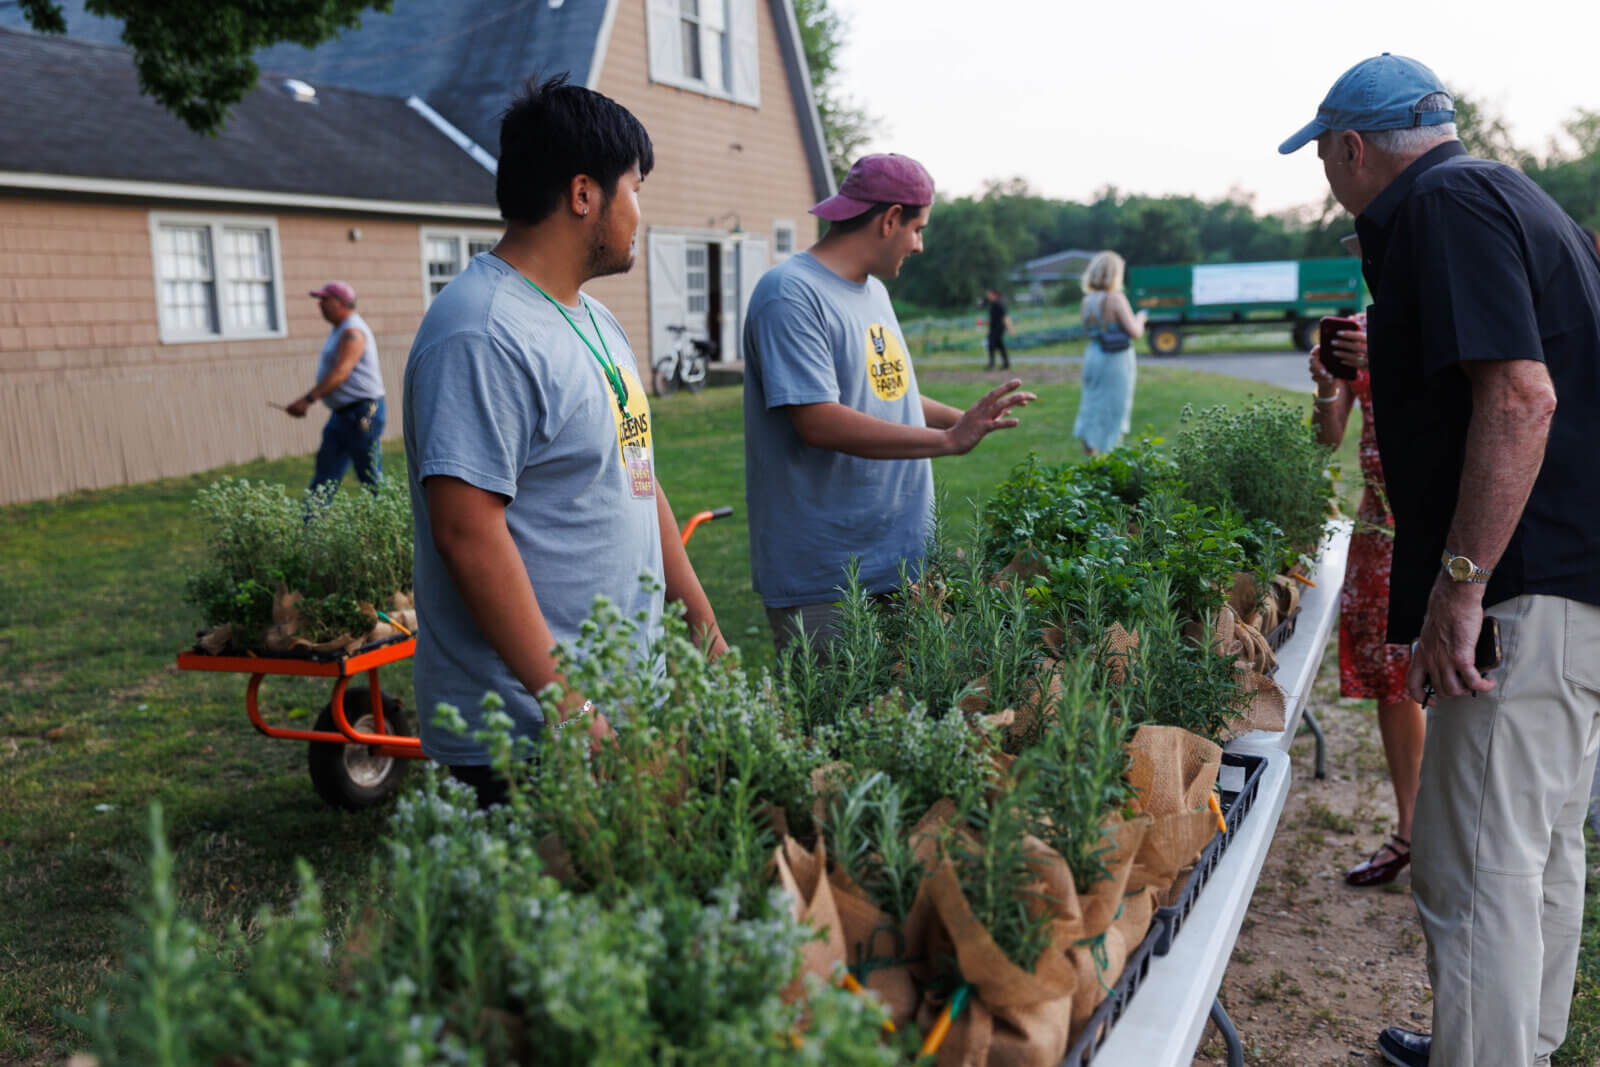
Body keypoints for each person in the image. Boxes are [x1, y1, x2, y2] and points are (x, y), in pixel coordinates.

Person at [1282, 53, 1600, 1067]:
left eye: (1325, 159)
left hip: (1522, 588)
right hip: (1572, 581)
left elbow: (1520, 397)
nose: (1329, 178)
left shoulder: (1442, 204)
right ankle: (1516, 1042)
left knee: (1468, 866)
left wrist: (1458, 586)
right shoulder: (1502, 192)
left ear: (1349, 147)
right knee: (1537, 846)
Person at [402, 74, 725, 808]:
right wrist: (573, 710)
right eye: (634, 188)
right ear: (585, 194)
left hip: (616, 720)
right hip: (524, 738)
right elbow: (466, 534)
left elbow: (640, 482)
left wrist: (706, 637)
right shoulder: (480, 332)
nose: (641, 212)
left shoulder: (597, 323)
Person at [742, 153, 1034, 654]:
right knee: (841, 728)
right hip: (831, 578)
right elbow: (818, 420)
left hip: (902, 564)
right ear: (890, 218)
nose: (919, 245)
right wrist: (946, 441)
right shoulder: (790, 294)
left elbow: (887, 392)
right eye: (917, 228)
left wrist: (962, 419)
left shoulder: (872, 291)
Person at [1308, 314, 1425, 889]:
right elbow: (1325, 440)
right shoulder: (1357, 330)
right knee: (1393, 681)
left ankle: (1461, 835)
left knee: (1473, 674)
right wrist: (1328, 383)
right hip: (1381, 526)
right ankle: (1413, 833)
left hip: (1456, 519)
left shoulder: (1449, 312)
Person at [284, 282, 385, 493]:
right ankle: (311, 524)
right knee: (325, 475)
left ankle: (391, 523)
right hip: (342, 414)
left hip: (362, 412)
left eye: (324, 299)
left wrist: (307, 400)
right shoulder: (339, 328)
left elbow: (341, 372)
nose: (320, 305)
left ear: (341, 302)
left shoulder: (353, 331)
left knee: (370, 476)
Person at [1071, 250, 1145, 457]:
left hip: (1093, 355)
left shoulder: (1087, 301)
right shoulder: (1116, 299)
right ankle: (1110, 456)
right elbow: (1134, 332)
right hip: (1115, 359)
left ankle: (1091, 453)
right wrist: (1141, 318)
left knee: (1092, 403)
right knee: (1114, 408)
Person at [984, 287, 1013, 370]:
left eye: (989, 294)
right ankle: (1006, 363)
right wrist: (983, 322)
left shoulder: (999, 304)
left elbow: (1005, 317)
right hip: (994, 328)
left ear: (995, 295)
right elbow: (992, 318)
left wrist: (1010, 328)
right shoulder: (993, 304)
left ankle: (991, 364)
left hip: (998, 328)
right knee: (1000, 345)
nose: (988, 296)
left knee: (991, 344)